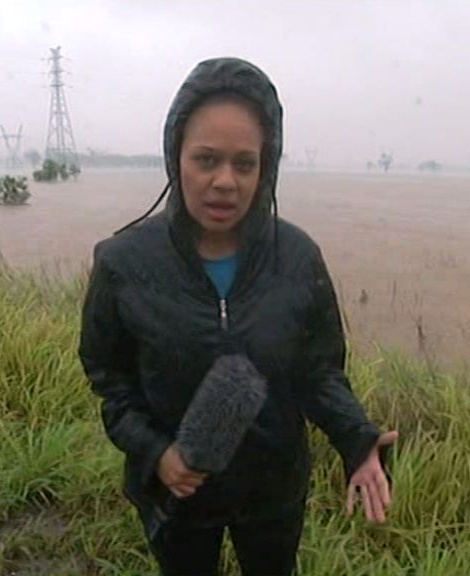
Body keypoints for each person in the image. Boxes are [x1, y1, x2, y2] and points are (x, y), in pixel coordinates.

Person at [79, 57, 396, 576]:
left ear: (265, 166)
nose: (225, 181)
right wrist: (157, 453)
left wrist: (357, 440)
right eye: (206, 159)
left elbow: (317, 372)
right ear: (174, 156)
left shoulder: (297, 257)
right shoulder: (123, 262)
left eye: (244, 163)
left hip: (274, 489)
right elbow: (110, 380)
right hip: (176, 490)